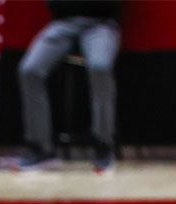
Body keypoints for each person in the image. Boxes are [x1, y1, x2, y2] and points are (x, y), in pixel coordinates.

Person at [18, 0, 123, 171]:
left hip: (101, 24)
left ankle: (103, 144)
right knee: (30, 70)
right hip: (63, 23)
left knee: (100, 67)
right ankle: (40, 148)